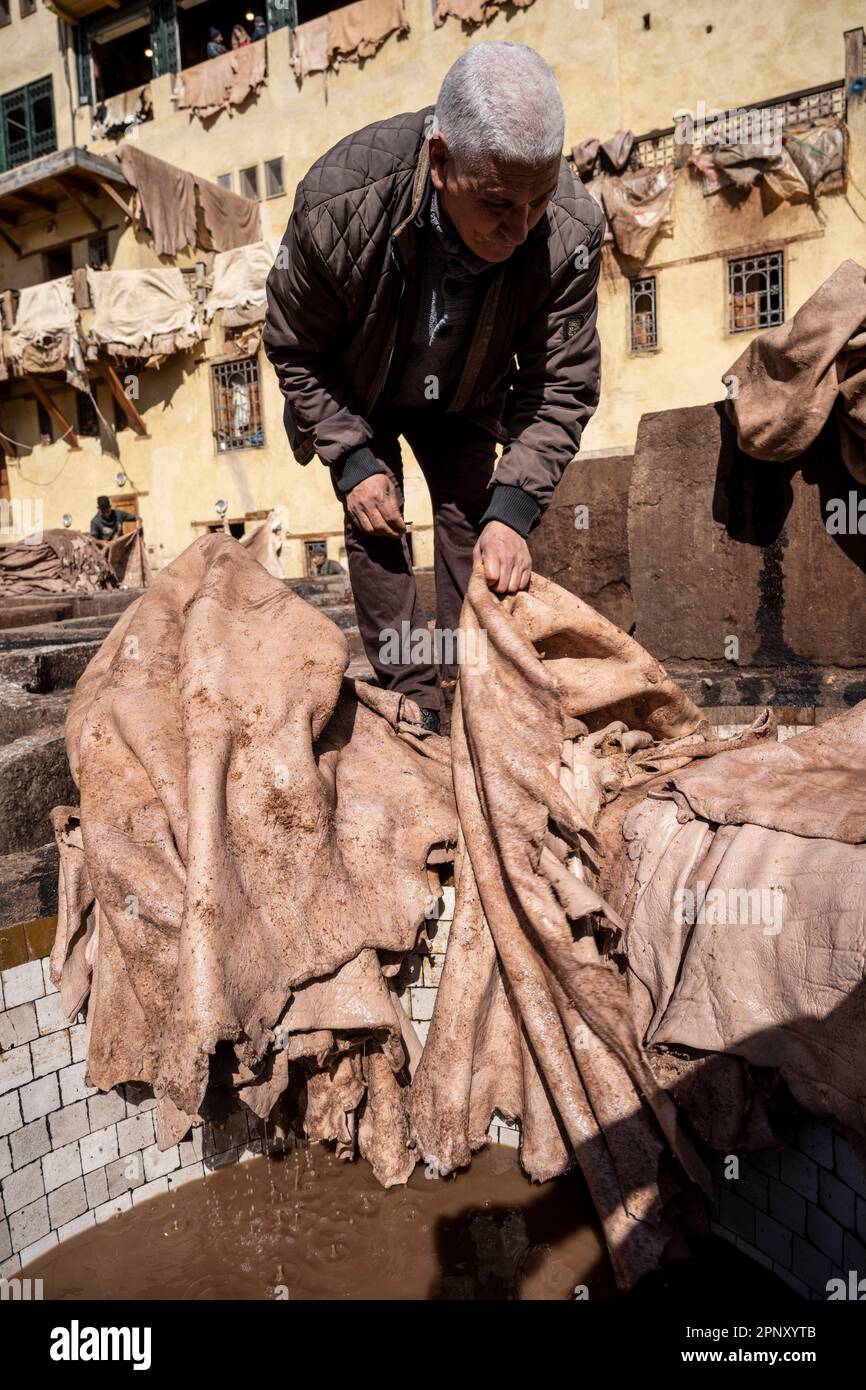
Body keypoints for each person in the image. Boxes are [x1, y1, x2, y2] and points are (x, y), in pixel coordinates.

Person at [264, 42, 603, 734]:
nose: (521, 229)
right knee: (377, 524)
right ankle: (415, 705)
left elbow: (561, 383)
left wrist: (513, 511)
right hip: (359, 385)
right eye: (500, 204)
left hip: (467, 391)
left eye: (538, 200)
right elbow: (294, 346)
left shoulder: (568, 229)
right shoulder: (339, 203)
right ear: (441, 160)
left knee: (474, 524)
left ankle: (476, 697)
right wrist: (353, 461)